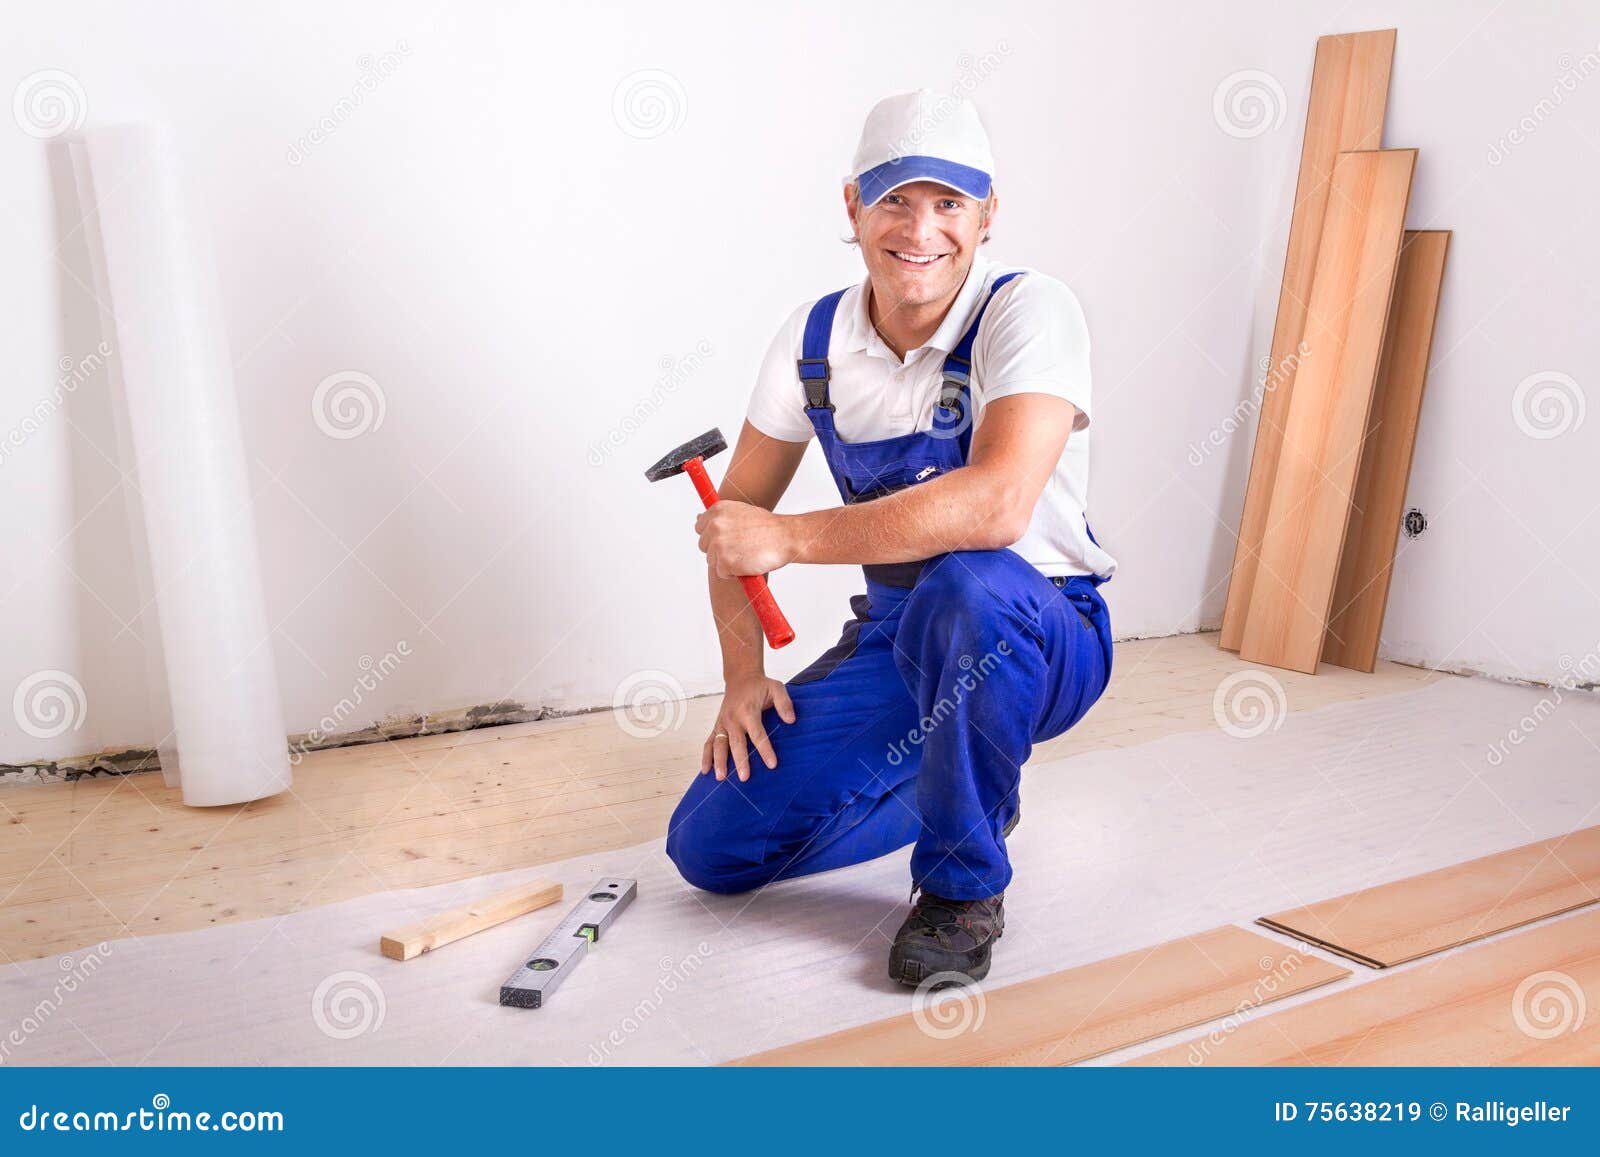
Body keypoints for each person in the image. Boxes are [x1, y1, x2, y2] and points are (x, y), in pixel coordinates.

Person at [664, 89, 1117, 987]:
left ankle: (960, 885)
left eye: (950, 203)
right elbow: (736, 526)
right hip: (902, 636)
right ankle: (974, 789)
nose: (921, 229)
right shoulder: (815, 342)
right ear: (852, 207)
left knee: (970, 586)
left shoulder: (1029, 312)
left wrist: (789, 538)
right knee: (712, 846)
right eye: (895, 201)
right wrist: (742, 673)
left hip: (1041, 627)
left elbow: (995, 508)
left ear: (988, 215)